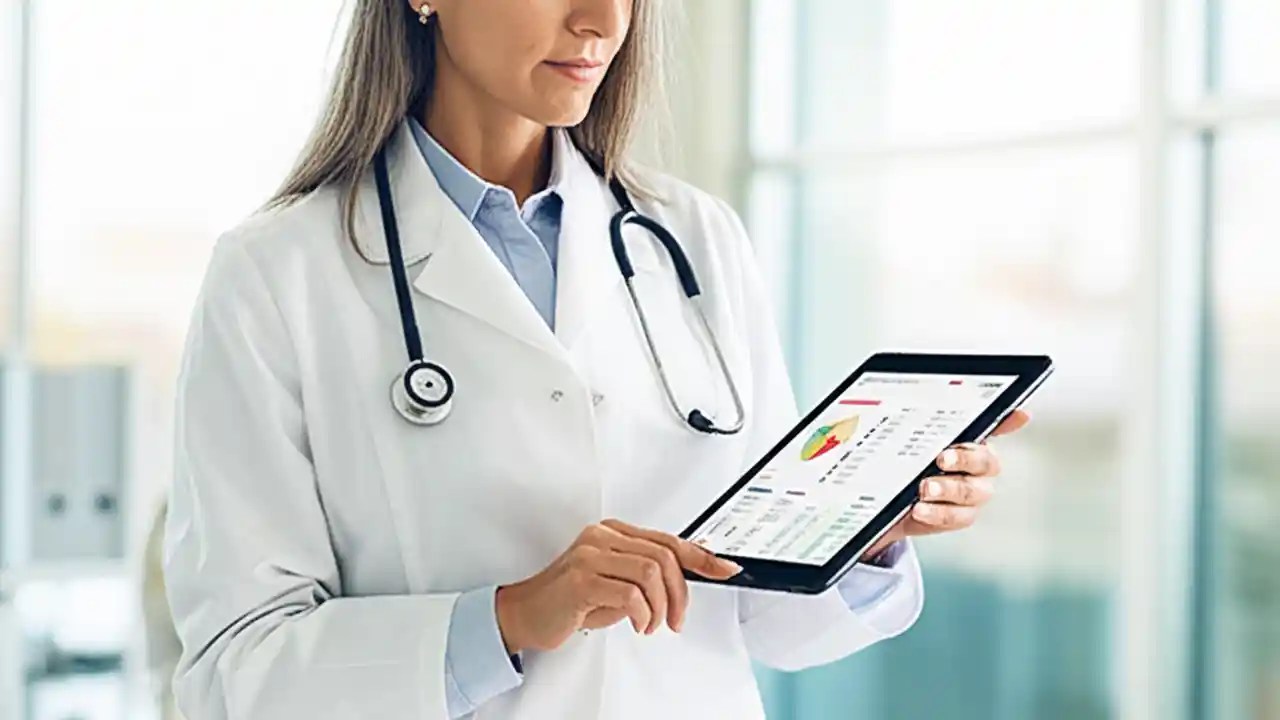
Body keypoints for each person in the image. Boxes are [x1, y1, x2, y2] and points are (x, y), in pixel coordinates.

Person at [163, 1, 1031, 718]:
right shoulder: (278, 274)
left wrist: (864, 532)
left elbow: (767, 625)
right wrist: (509, 619)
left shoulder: (695, 241)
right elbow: (235, 672)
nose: (602, 21)